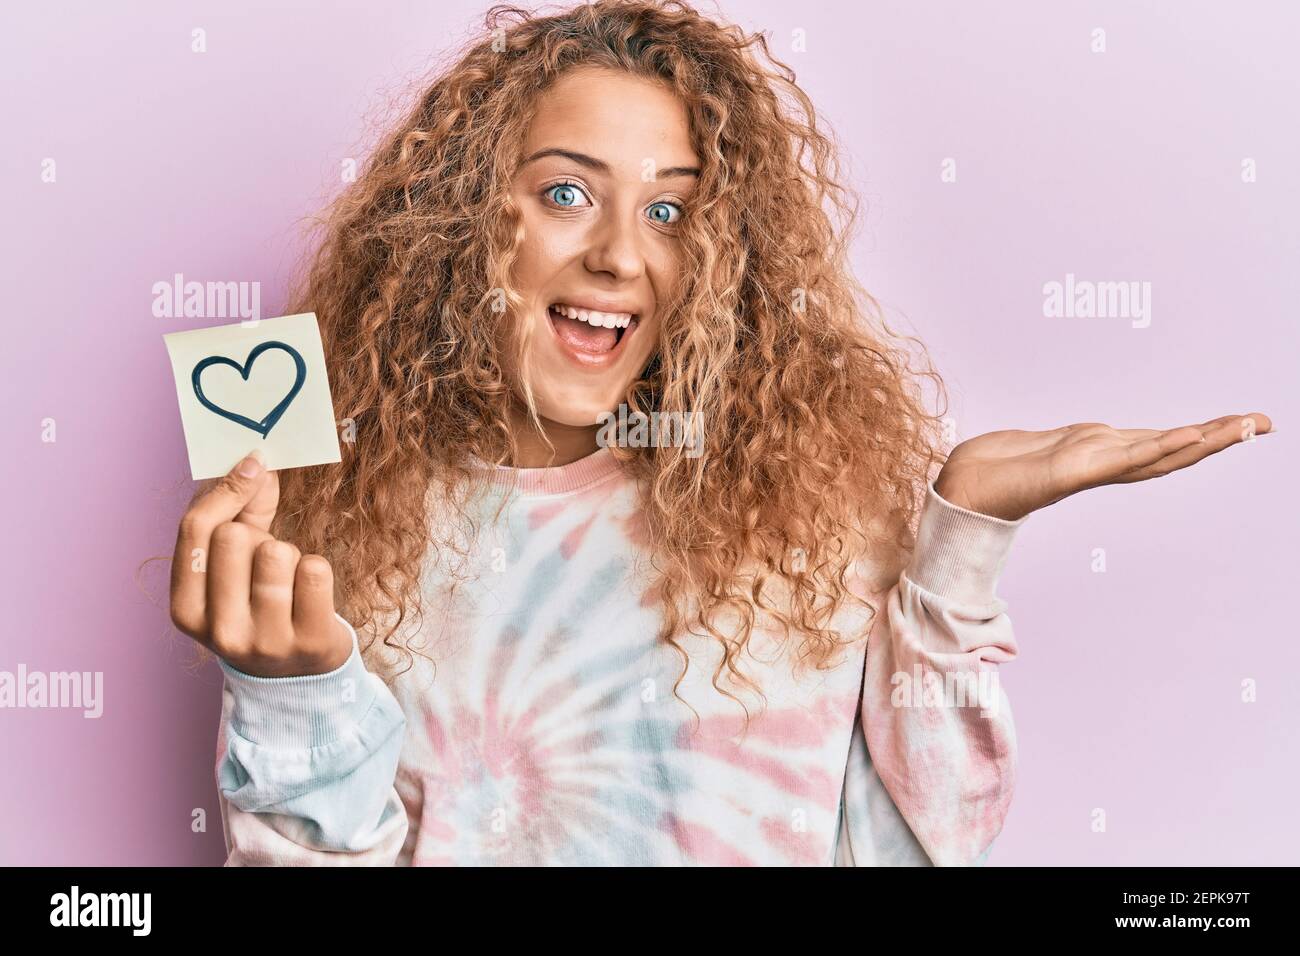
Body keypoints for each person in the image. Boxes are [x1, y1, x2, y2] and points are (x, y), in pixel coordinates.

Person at [167, 0, 1272, 866]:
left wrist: (961, 546)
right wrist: (293, 696)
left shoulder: (798, 507)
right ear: (460, 221)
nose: (619, 254)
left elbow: (906, 854)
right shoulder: (341, 520)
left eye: (668, 211)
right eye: (565, 194)